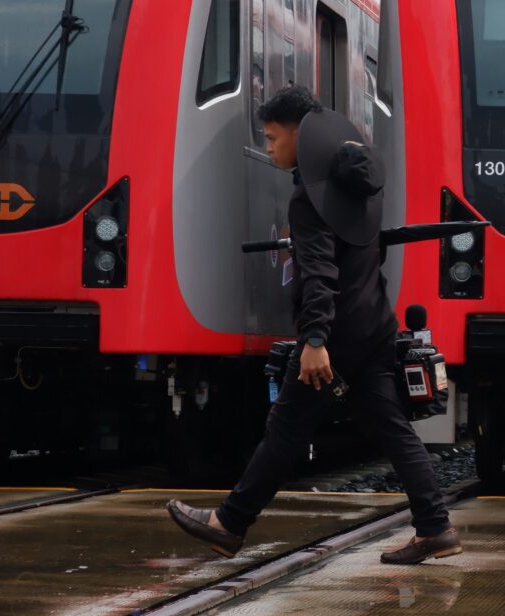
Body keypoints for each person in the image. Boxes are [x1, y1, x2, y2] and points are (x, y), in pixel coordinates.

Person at [166, 85, 459, 565]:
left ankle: (229, 523)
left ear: (300, 135)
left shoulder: (309, 200)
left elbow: (321, 272)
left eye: (272, 137)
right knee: (394, 429)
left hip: (336, 335)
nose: (268, 148)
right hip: (374, 324)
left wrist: (316, 339)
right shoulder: (359, 180)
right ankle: (435, 528)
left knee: (286, 429)